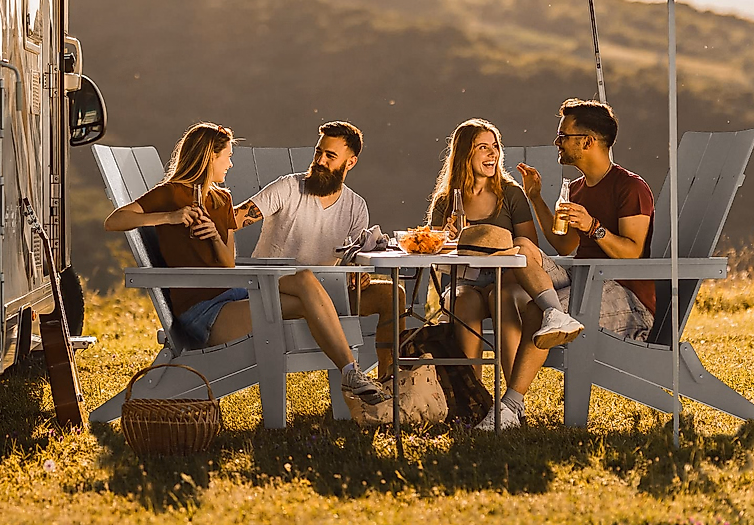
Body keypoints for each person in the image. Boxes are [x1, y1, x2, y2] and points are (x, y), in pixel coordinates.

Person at [103, 122, 390, 420]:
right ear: (208, 158)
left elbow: (227, 264)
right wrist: (169, 217)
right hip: (204, 312)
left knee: (306, 286)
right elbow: (114, 221)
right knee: (311, 298)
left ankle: (350, 373)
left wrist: (215, 235)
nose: (231, 163)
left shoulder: (221, 199)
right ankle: (351, 372)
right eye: (226, 156)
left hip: (234, 298)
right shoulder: (170, 194)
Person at [231, 121, 401, 421]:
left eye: (330, 156)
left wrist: (357, 273)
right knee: (305, 278)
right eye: (318, 152)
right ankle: (351, 372)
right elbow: (237, 218)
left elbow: (355, 259)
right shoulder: (288, 188)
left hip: (325, 295)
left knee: (393, 295)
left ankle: (389, 385)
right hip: (270, 292)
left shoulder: (355, 206)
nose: (320, 161)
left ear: (350, 162)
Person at [427, 118, 585, 430]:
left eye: (495, 146)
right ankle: (472, 401)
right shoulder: (448, 200)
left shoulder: (510, 194)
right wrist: (447, 238)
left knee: (502, 296)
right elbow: (433, 250)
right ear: (464, 154)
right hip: (467, 281)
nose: (492, 153)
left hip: (508, 280)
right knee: (463, 303)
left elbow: (529, 248)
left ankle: (513, 406)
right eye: (482, 147)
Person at [517, 97, 656, 338]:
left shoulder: (630, 187)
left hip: (627, 298)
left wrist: (593, 227)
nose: (556, 142)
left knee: (534, 311)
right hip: (585, 281)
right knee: (519, 261)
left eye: (563, 136)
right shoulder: (577, 189)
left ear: (588, 141)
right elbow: (565, 245)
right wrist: (536, 198)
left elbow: (632, 253)